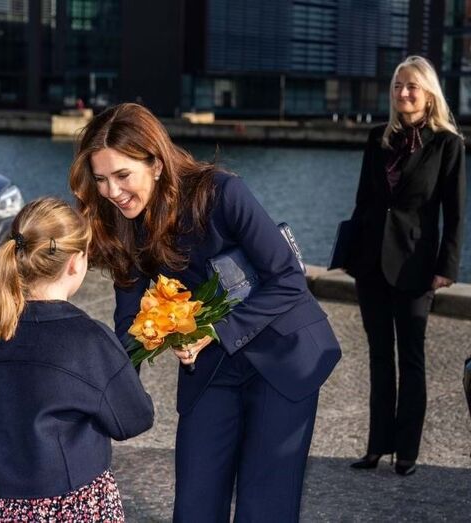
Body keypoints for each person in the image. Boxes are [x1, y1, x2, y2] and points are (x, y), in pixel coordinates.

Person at [69, 103, 341, 522]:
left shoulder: (223, 192)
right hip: (210, 368)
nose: (112, 191)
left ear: (156, 164)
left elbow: (288, 278)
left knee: (263, 507)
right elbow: (130, 328)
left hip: (284, 357)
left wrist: (213, 331)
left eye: (122, 175)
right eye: (101, 180)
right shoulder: (121, 223)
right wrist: (102, 399)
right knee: (195, 504)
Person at [0, 197, 154, 522]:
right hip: (77, 506)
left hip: (1, 504)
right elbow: (133, 419)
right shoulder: (89, 340)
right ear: (76, 262)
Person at [344, 55, 466, 476]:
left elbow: (455, 213)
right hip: (372, 264)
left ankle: (407, 451)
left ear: (428, 92)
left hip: (416, 266)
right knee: (379, 357)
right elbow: (363, 202)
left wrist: (446, 266)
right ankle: (377, 446)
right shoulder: (378, 138)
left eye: (412, 86)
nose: (403, 93)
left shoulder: (448, 144)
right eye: (397, 86)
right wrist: (351, 255)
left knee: (411, 358)